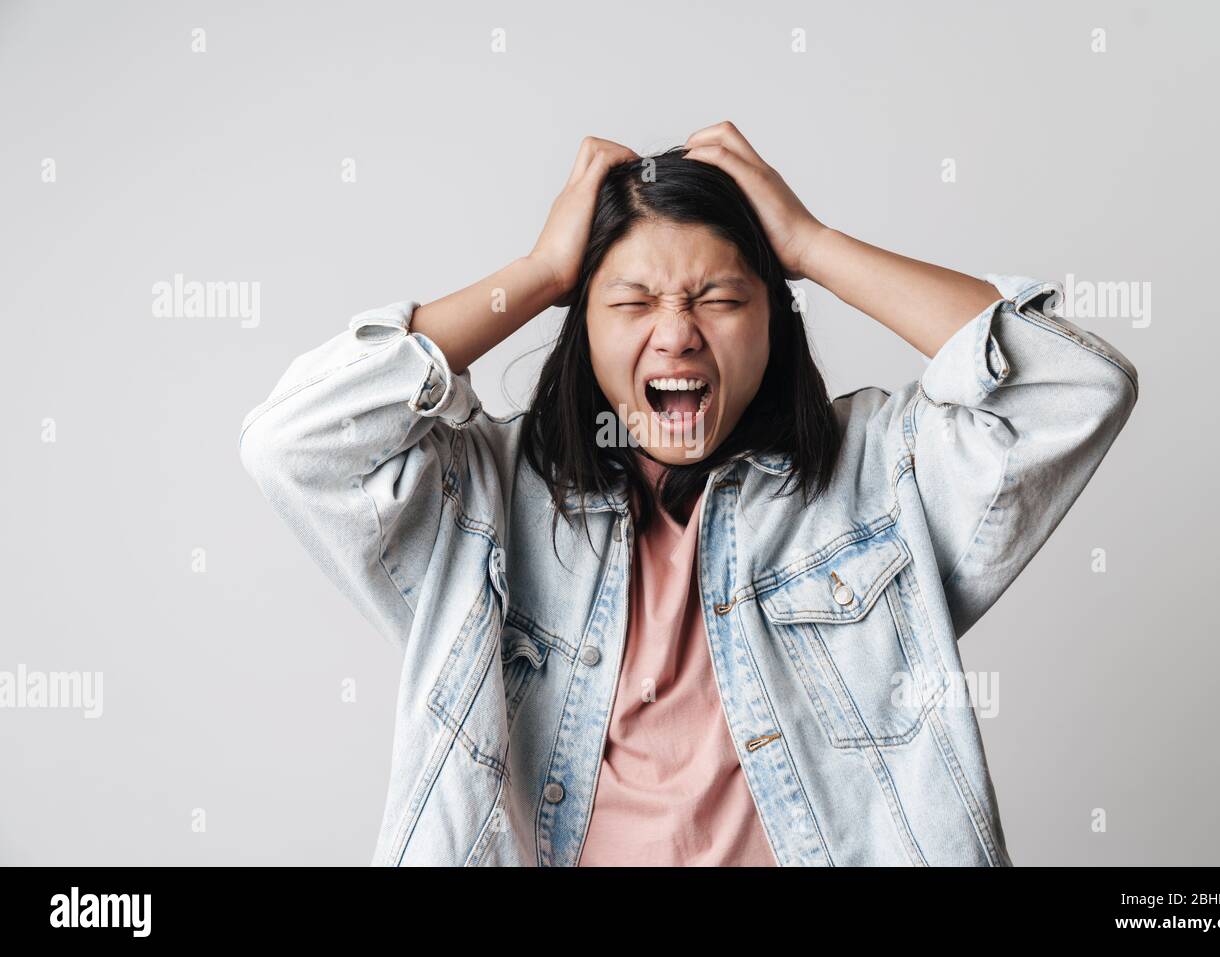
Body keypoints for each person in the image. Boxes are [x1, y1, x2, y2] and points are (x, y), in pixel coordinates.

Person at [238, 121, 1138, 866]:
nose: (677, 335)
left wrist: (812, 246)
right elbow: (297, 443)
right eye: (632, 303)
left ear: (774, 320)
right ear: (581, 329)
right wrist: (541, 271)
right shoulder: (481, 503)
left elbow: (1074, 386)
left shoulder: (877, 479)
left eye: (720, 299)